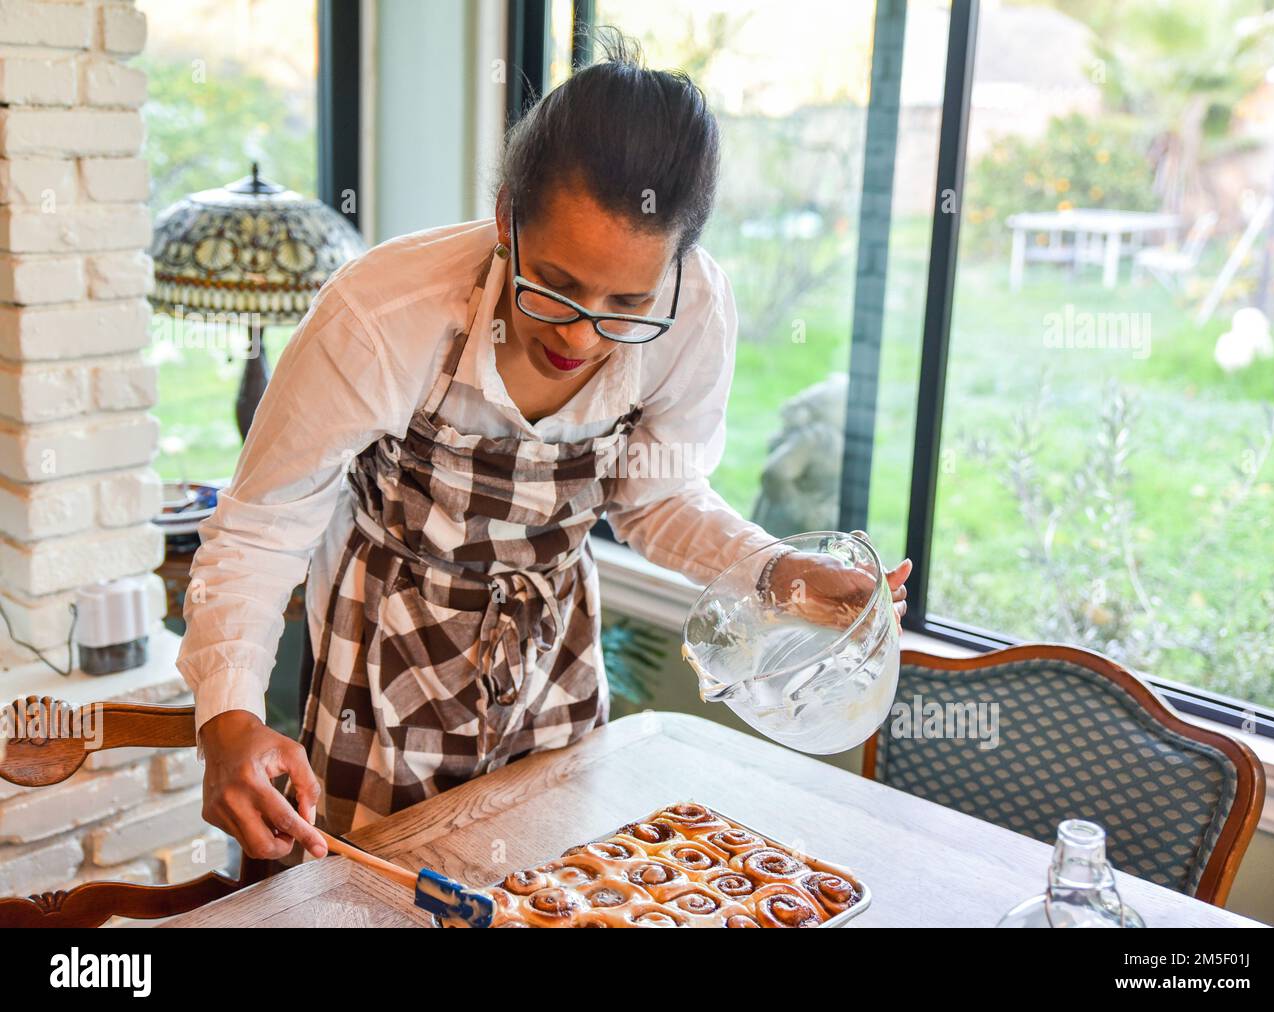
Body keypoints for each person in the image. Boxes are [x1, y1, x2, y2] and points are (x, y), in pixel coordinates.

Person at [178, 32, 910, 862]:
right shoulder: (382, 316)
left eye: (625, 302)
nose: (582, 335)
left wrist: (778, 570)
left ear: (677, 266)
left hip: (552, 658)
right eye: (555, 285)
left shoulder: (693, 309)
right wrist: (229, 716)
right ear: (505, 220)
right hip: (383, 661)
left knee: (554, 890)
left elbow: (656, 495)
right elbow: (262, 524)